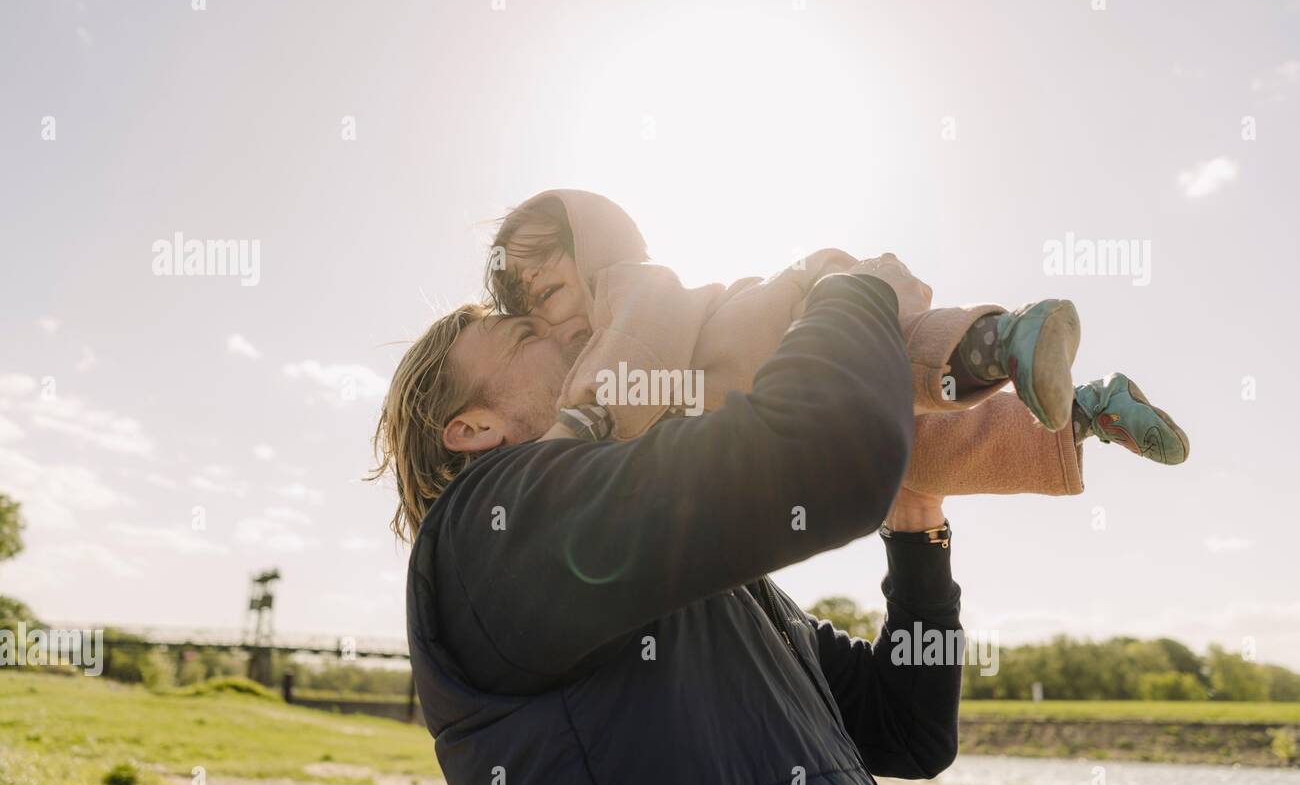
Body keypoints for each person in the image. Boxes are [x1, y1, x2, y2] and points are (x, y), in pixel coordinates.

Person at [372, 270, 963, 785]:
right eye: (528, 334)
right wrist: (851, 287)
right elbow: (822, 455)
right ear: (474, 428)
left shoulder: (696, 574)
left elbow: (910, 728)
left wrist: (916, 531)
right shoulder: (486, 529)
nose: (577, 330)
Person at [485, 190, 1189, 496]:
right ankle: (1086, 415)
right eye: (535, 320)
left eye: (549, 296)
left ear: (596, 253)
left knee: (898, 354)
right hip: (799, 399)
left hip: (804, 310)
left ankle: (1007, 338)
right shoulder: (603, 334)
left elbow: (639, 352)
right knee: (921, 459)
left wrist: (578, 425)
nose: (555, 329)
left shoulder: (631, 289)